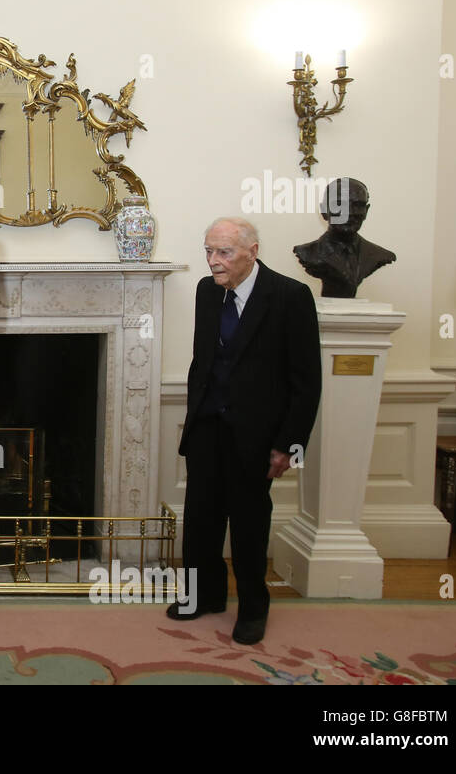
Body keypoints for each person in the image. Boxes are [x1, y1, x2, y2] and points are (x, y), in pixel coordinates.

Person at [171, 217, 321, 644]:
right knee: (200, 519)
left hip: (256, 437)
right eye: (208, 251)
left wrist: (289, 445)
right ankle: (203, 597)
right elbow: (205, 362)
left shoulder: (290, 297)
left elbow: (306, 381)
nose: (213, 262)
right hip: (206, 428)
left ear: (252, 251)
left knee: (249, 525)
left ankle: (253, 609)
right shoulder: (206, 291)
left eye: (223, 252)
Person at [292, 177, 395, 298]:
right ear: (324, 210)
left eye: (358, 205)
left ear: (366, 211)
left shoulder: (379, 255)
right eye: (340, 204)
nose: (349, 212)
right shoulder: (308, 253)